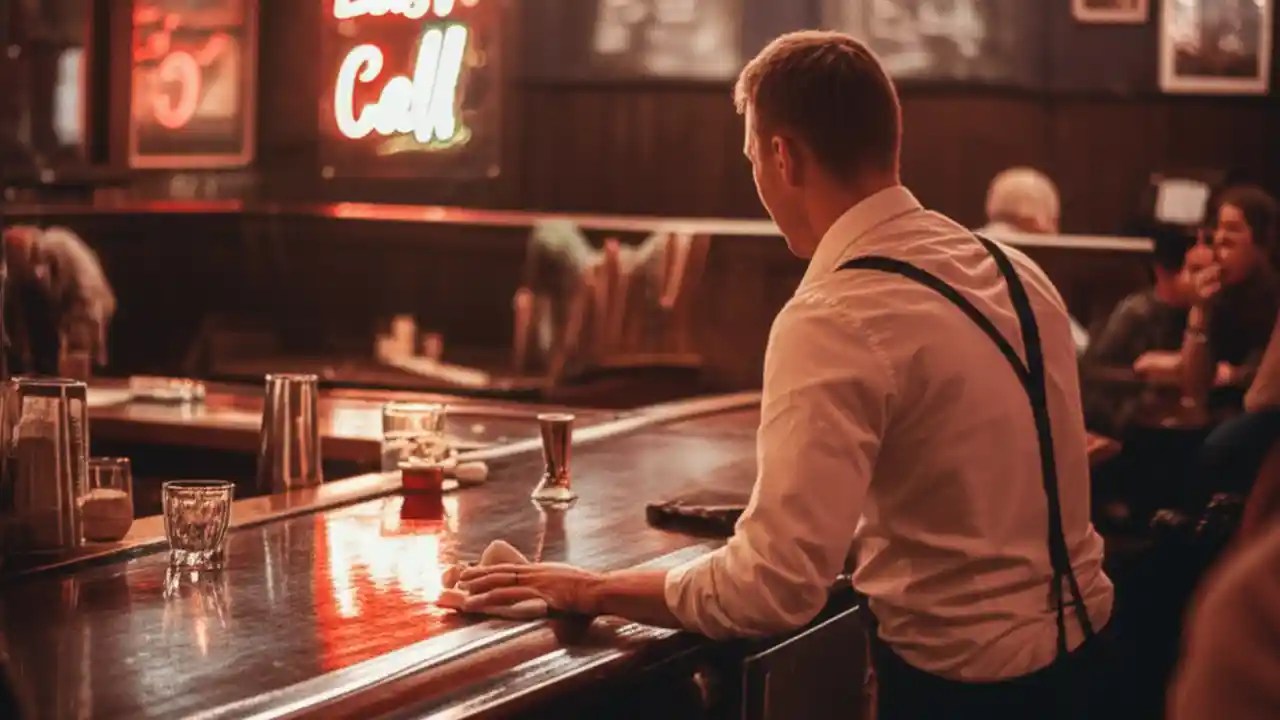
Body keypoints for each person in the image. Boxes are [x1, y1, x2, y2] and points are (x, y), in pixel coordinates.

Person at [458, 31, 1113, 719]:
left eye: (751, 159)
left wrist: (589, 588)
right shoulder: (1018, 272)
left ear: (782, 156)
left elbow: (772, 588)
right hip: (1099, 665)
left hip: (965, 698)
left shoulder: (835, 314)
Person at [1080, 228, 1206, 435]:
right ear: (1164, 272)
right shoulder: (1138, 312)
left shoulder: (1204, 310)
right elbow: (1094, 373)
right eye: (1195, 270)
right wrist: (1148, 379)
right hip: (1131, 422)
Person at [1181, 185, 1280, 417]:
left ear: (1262, 243)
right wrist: (1200, 311)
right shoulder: (1219, 297)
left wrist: (1238, 375)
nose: (1219, 239)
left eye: (1232, 230)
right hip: (1221, 416)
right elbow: (1194, 389)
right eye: (1218, 229)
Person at [980, 167, 1092, 356]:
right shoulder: (1023, 259)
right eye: (1054, 220)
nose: (1055, 232)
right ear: (1039, 219)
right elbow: (1076, 346)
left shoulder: (963, 243)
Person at [1, 224, 115, 378]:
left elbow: (86, 295)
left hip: (88, 302)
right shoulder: (20, 273)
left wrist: (79, 347)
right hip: (68, 303)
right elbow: (14, 308)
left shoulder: (56, 247)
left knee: (80, 358)